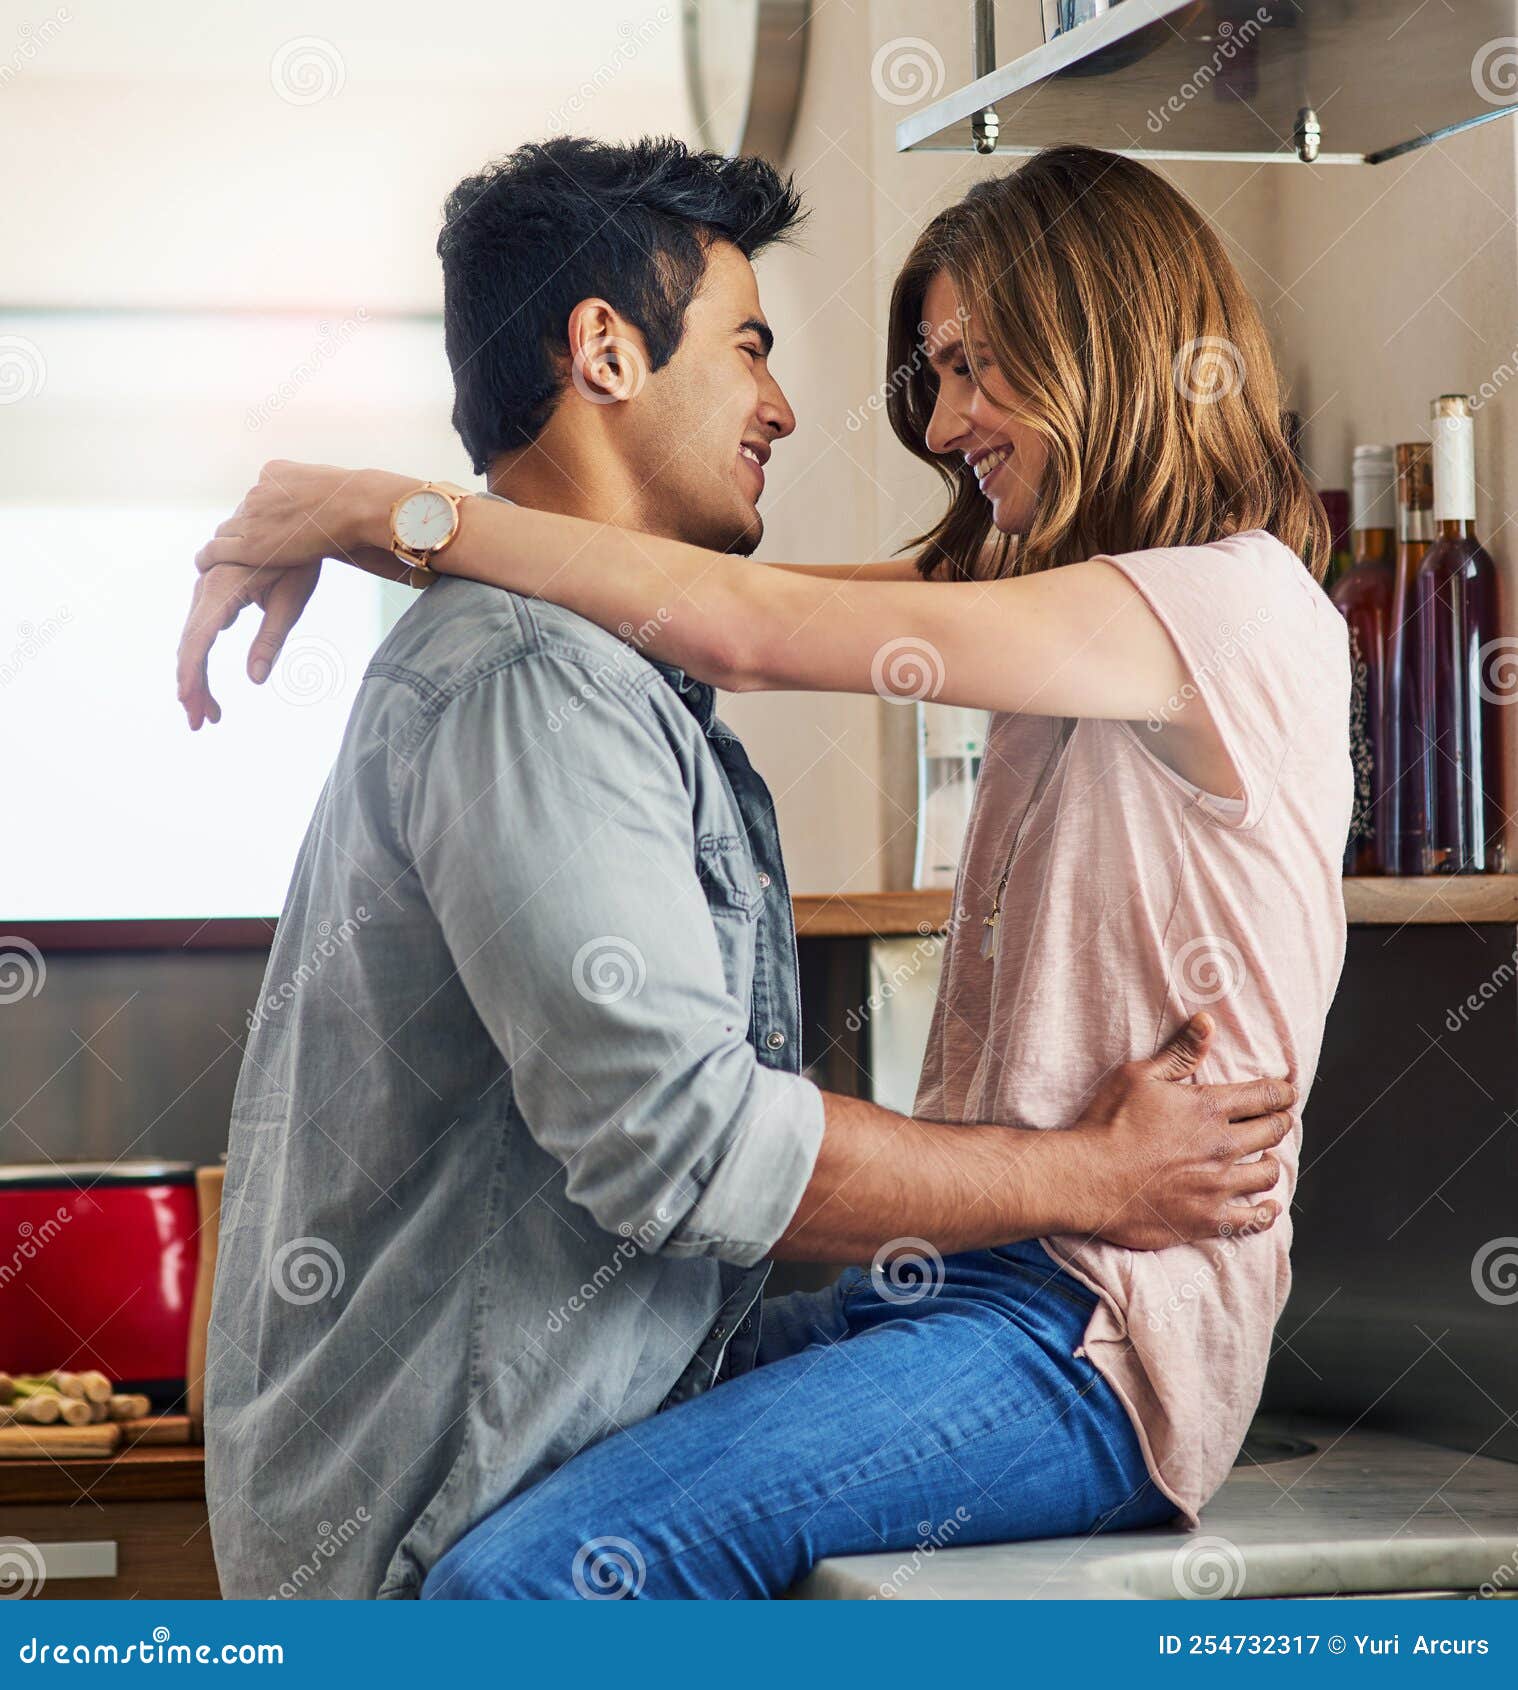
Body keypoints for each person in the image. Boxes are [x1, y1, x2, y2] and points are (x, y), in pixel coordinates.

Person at [181, 139, 1306, 1601]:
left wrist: (380, 511)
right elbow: (740, 612)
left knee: (517, 1594)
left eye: (977, 367)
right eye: (758, 349)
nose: (940, 419)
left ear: (1096, 345)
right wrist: (402, 530)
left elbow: (744, 624)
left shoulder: (1199, 606)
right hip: (1011, 1274)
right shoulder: (555, 669)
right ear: (604, 350)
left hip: (1092, 1308)